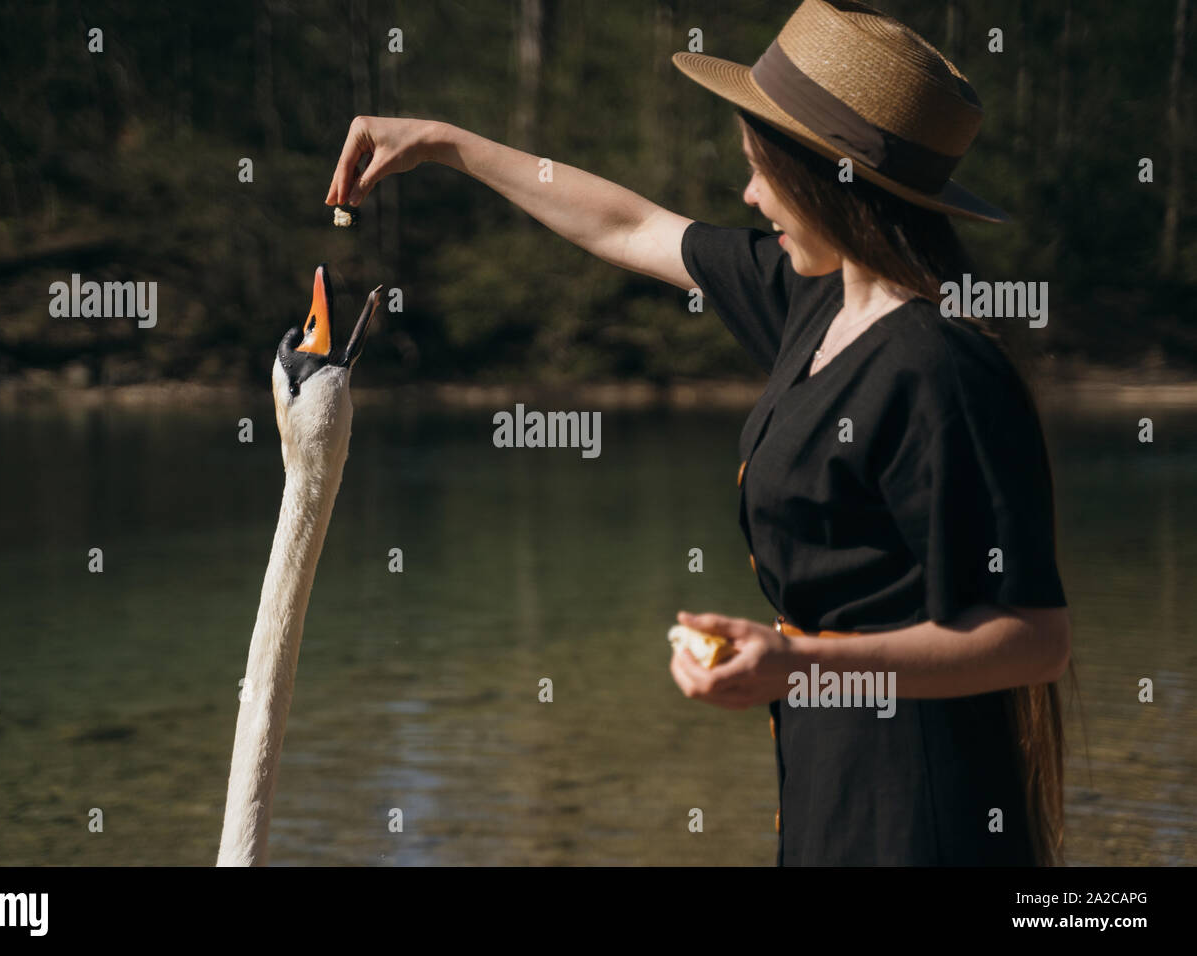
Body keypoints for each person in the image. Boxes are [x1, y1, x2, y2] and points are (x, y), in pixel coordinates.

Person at [325, 0, 1072, 867]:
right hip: (830, 771)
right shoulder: (816, 303)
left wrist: (793, 667)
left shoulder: (941, 368)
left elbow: (1035, 641)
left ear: (830, 179)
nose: (750, 195)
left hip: (921, 808)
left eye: (761, 171)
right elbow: (629, 224)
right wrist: (446, 142)